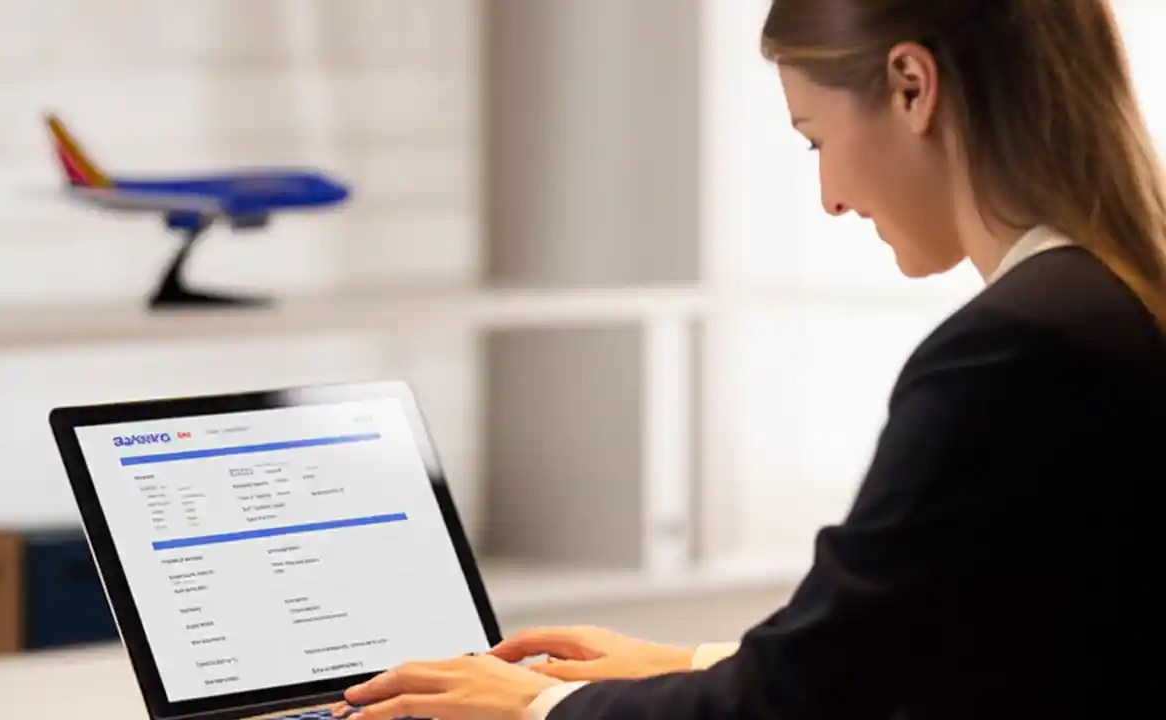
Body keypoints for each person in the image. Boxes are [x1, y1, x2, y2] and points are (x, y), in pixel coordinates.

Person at [333, 0, 1166, 717]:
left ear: (913, 86)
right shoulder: (1115, 306)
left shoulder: (1014, 346)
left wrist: (543, 703)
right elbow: (947, 636)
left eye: (815, 140)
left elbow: (802, 706)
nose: (830, 196)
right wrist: (683, 665)